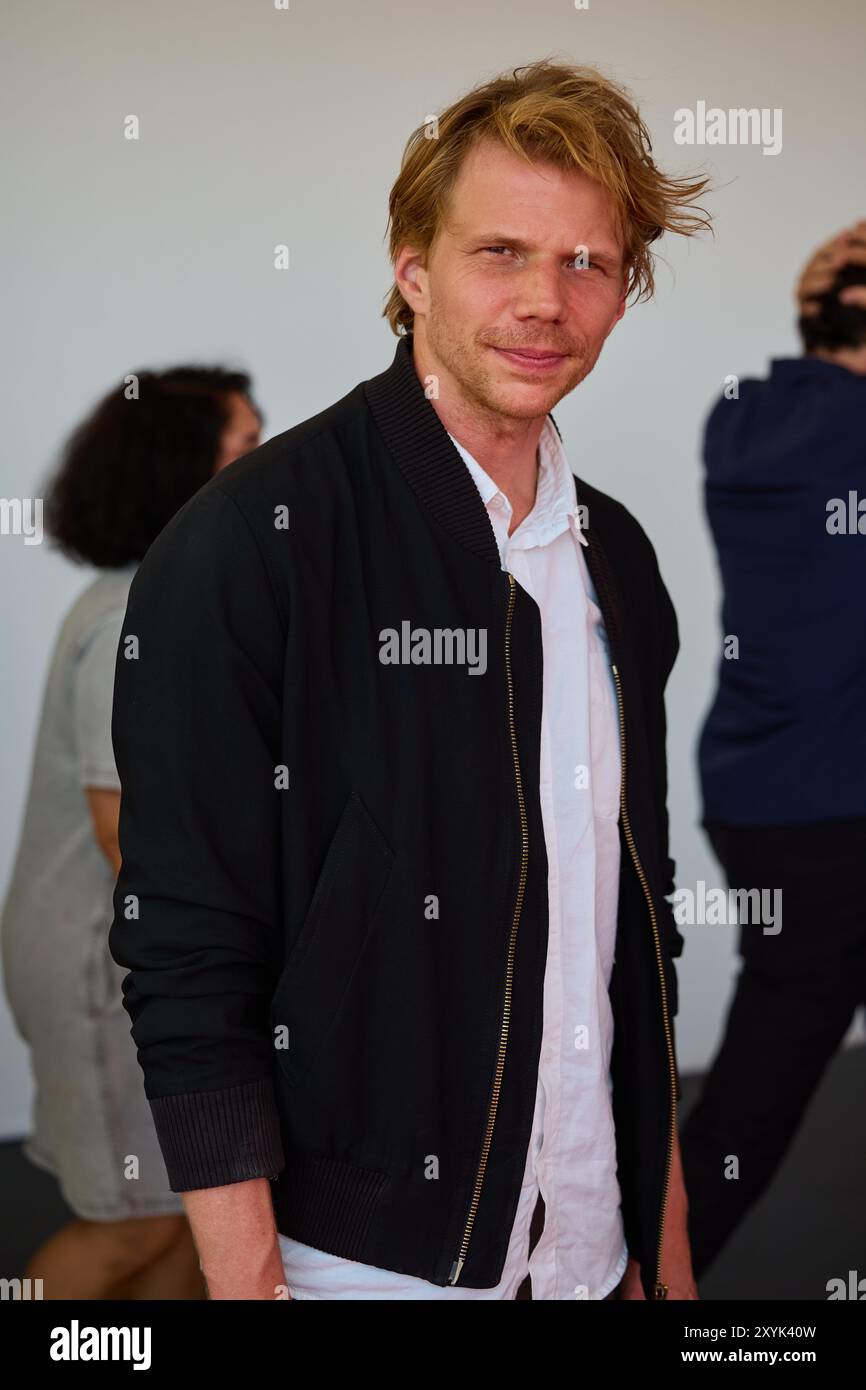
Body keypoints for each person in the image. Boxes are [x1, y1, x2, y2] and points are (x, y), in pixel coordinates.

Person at [108, 60, 710, 1301]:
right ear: (411, 268)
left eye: (586, 263)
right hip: (358, 1263)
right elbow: (185, 954)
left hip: (589, 1238)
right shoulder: (246, 547)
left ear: (622, 290)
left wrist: (662, 1255)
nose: (543, 301)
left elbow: (631, 941)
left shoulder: (618, 560)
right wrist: (245, 1281)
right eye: (499, 251)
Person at [1, 366, 262, 1298]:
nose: (265, 467)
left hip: (132, 960)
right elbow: (131, 841)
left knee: (190, 1223)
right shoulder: (129, 618)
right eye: (243, 446)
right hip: (99, 969)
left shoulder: (157, 591)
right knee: (138, 1223)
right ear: (179, 464)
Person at [681, 222, 866, 1281]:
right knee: (767, 1071)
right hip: (838, 804)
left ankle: (643, 1268)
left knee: (760, 1067)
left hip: (754, 793)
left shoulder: (738, 415)